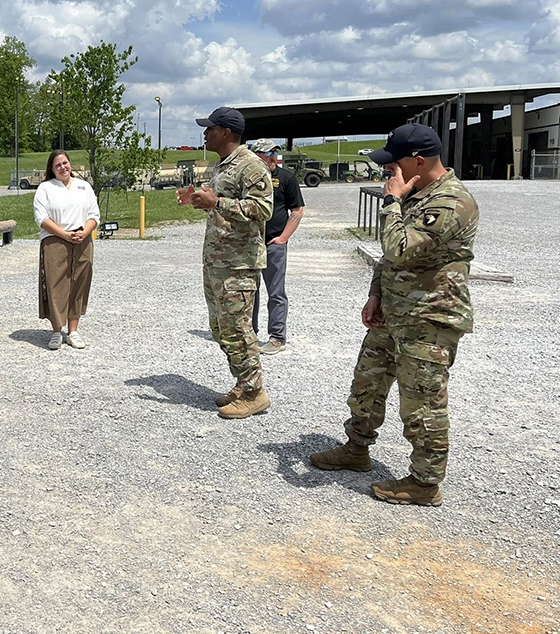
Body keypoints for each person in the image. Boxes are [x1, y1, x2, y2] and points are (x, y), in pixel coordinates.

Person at [309, 124, 478, 507]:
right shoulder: (416, 194)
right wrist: (375, 294)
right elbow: (389, 260)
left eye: (393, 163)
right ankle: (356, 449)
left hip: (429, 318)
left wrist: (390, 201)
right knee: (367, 383)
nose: (388, 170)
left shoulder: (451, 202)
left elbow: (399, 247)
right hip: (394, 312)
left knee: (422, 402)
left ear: (418, 161)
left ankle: (424, 483)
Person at [178, 107, 273, 419]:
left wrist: (217, 202)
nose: (205, 133)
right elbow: (222, 207)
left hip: (239, 263)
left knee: (238, 329)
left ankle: (255, 393)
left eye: (210, 128)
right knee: (221, 328)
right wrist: (200, 200)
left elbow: (263, 209)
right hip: (218, 261)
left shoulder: (251, 165)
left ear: (226, 132)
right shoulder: (223, 165)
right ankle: (244, 383)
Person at [33, 150, 100, 350]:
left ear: (70, 164)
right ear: (52, 169)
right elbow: (41, 218)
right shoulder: (46, 188)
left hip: (82, 238)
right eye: (57, 165)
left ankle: (73, 331)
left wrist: (84, 232)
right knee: (56, 283)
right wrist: (64, 234)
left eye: (65, 163)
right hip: (55, 239)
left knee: (79, 282)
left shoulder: (84, 186)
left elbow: (94, 214)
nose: (62, 167)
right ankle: (56, 331)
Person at [248, 138, 305, 355]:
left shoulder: (285, 178)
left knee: (276, 293)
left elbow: (297, 210)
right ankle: (249, 333)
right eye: (268, 153)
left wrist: (283, 238)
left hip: (274, 244)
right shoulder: (247, 179)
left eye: (275, 153)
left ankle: (277, 337)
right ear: (256, 156)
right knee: (249, 291)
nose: (273, 158)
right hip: (250, 244)